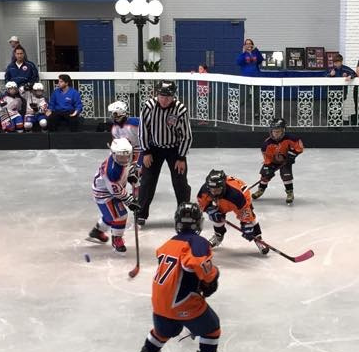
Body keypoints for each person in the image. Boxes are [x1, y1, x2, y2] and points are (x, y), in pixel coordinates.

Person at [128, 203, 230, 352]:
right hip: (181, 303)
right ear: (199, 223)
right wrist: (212, 277)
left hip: (159, 303)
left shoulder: (167, 244)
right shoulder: (198, 243)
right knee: (211, 328)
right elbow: (202, 267)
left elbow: (179, 271)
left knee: (165, 330)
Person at [136, 80, 192, 226]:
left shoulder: (180, 109)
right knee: (147, 181)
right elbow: (143, 130)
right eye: (161, 96)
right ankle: (141, 213)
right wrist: (146, 152)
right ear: (157, 94)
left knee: (180, 182)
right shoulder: (148, 107)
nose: (164, 100)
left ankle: (184, 212)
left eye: (168, 97)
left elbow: (186, 136)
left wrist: (181, 157)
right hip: (153, 149)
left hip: (174, 149)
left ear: (174, 96)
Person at [197, 169, 268, 255]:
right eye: (212, 190)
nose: (214, 193)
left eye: (217, 190)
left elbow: (244, 211)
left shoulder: (236, 195)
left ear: (223, 186)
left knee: (251, 220)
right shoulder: (206, 189)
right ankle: (218, 236)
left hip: (241, 198)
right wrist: (209, 210)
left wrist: (246, 225)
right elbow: (202, 202)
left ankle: (258, 238)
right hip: (223, 201)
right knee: (216, 216)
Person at [88, 138, 139, 253]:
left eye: (127, 156)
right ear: (114, 154)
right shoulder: (112, 171)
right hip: (105, 195)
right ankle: (117, 239)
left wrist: (130, 175)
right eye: (121, 157)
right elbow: (115, 191)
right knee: (120, 216)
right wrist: (129, 201)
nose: (124, 159)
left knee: (111, 215)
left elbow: (127, 167)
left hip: (108, 191)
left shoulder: (120, 157)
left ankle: (97, 231)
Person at [253, 118, 304, 204]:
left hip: (286, 161)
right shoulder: (267, 144)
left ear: (283, 131)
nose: (276, 133)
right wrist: (269, 167)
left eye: (278, 131)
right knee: (265, 175)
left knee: (286, 175)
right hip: (272, 161)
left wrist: (292, 155)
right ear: (271, 131)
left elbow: (299, 147)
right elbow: (267, 157)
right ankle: (260, 190)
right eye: (274, 131)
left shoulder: (291, 138)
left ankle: (290, 193)